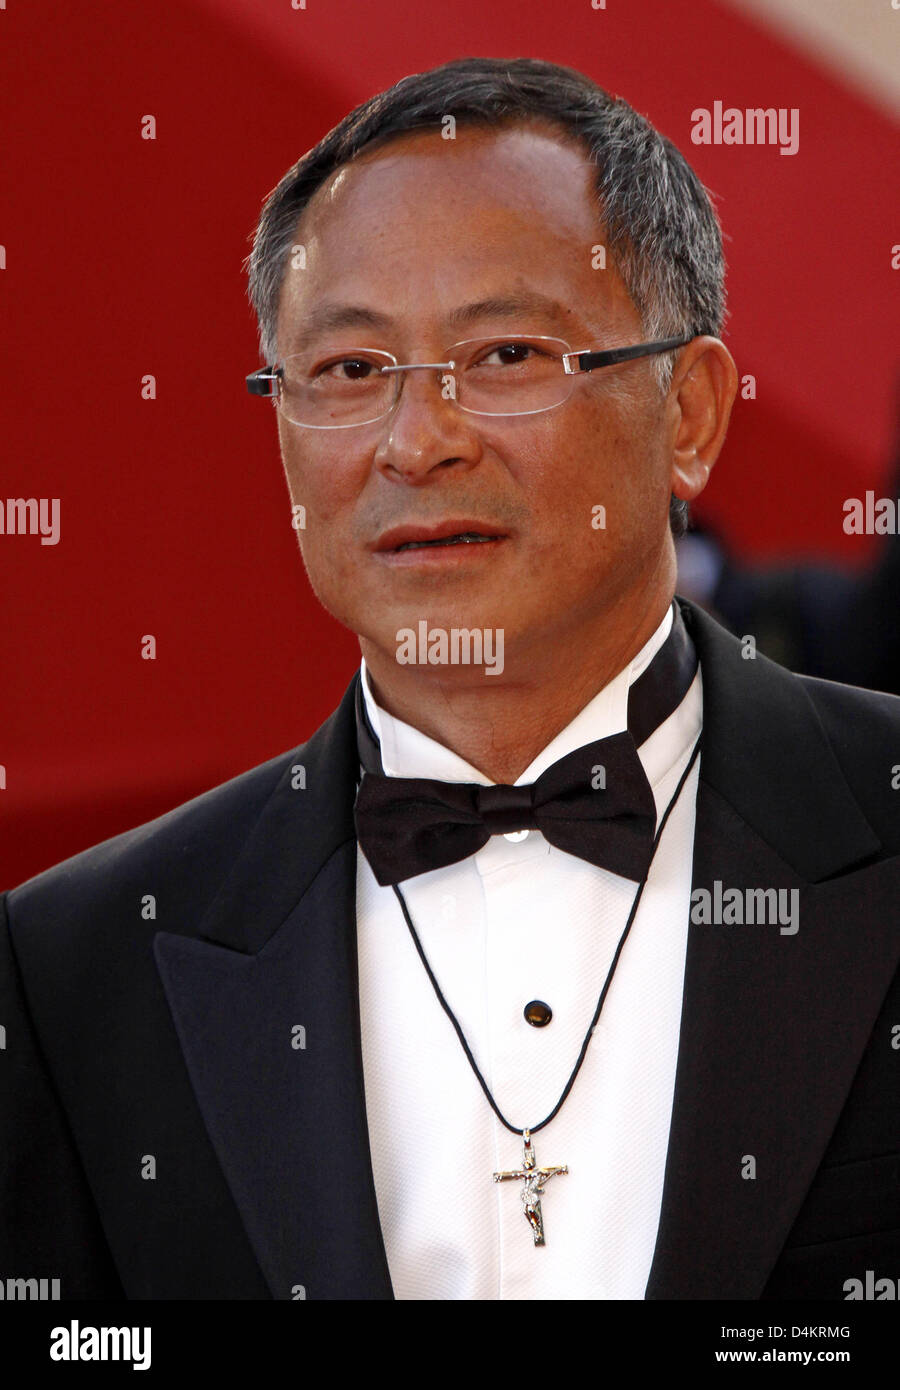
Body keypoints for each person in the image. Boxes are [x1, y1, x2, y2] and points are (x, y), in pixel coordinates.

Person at [2, 57, 898, 1302]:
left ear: (687, 413)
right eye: (352, 372)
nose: (418, 442)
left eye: (508, 353)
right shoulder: (76, 966)